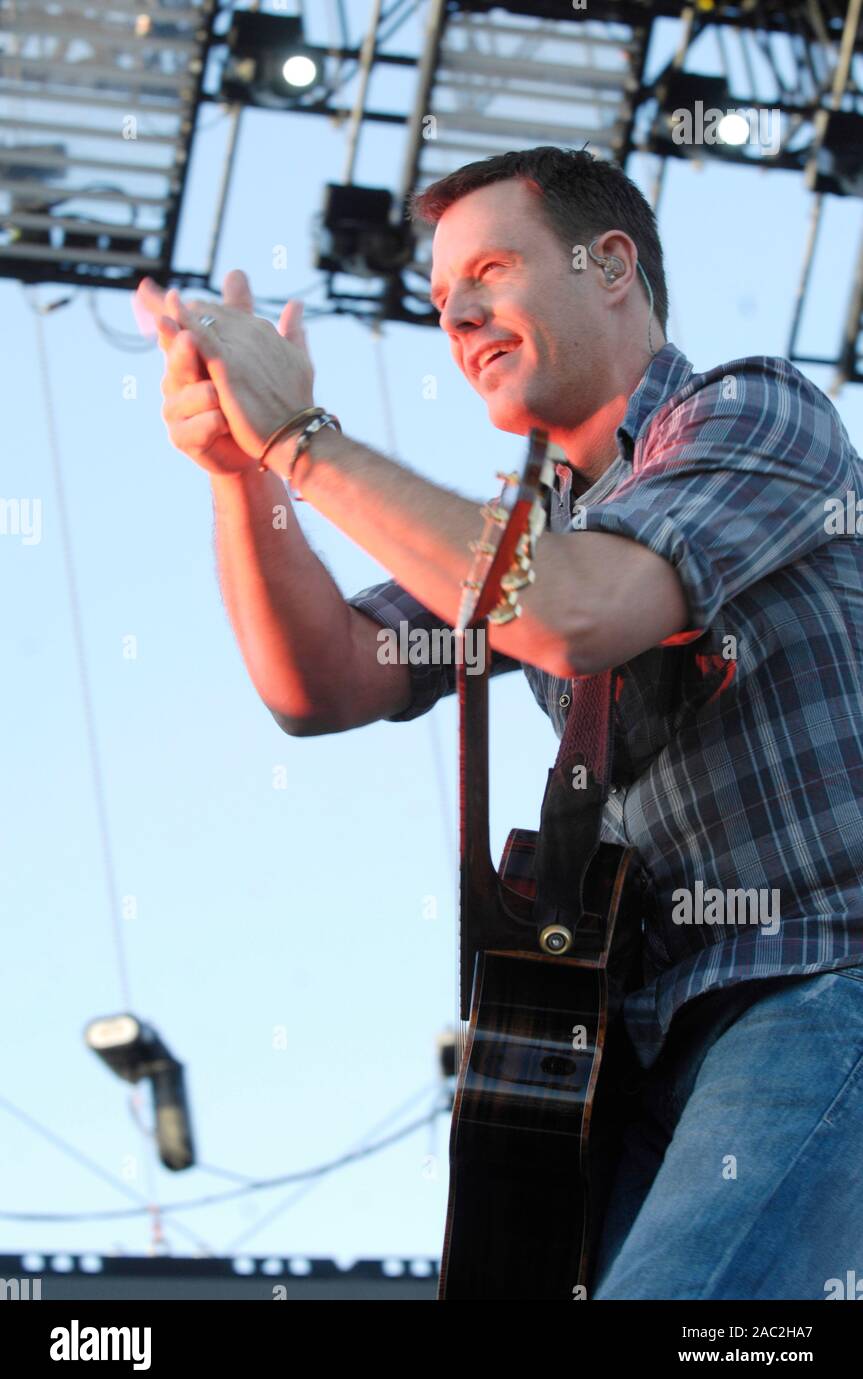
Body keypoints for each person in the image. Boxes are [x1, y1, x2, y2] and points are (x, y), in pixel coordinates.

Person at [135, 146, 863, 1300]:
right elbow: (322, 681)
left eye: (487, 270)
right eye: (437, 299)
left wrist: (301, 440)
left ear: (608, 263)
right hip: (643, 1041)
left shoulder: (755, 408)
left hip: (819, 978)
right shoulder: (515, 529)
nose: (457, 313)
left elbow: (572, 611)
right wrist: (241, 471)